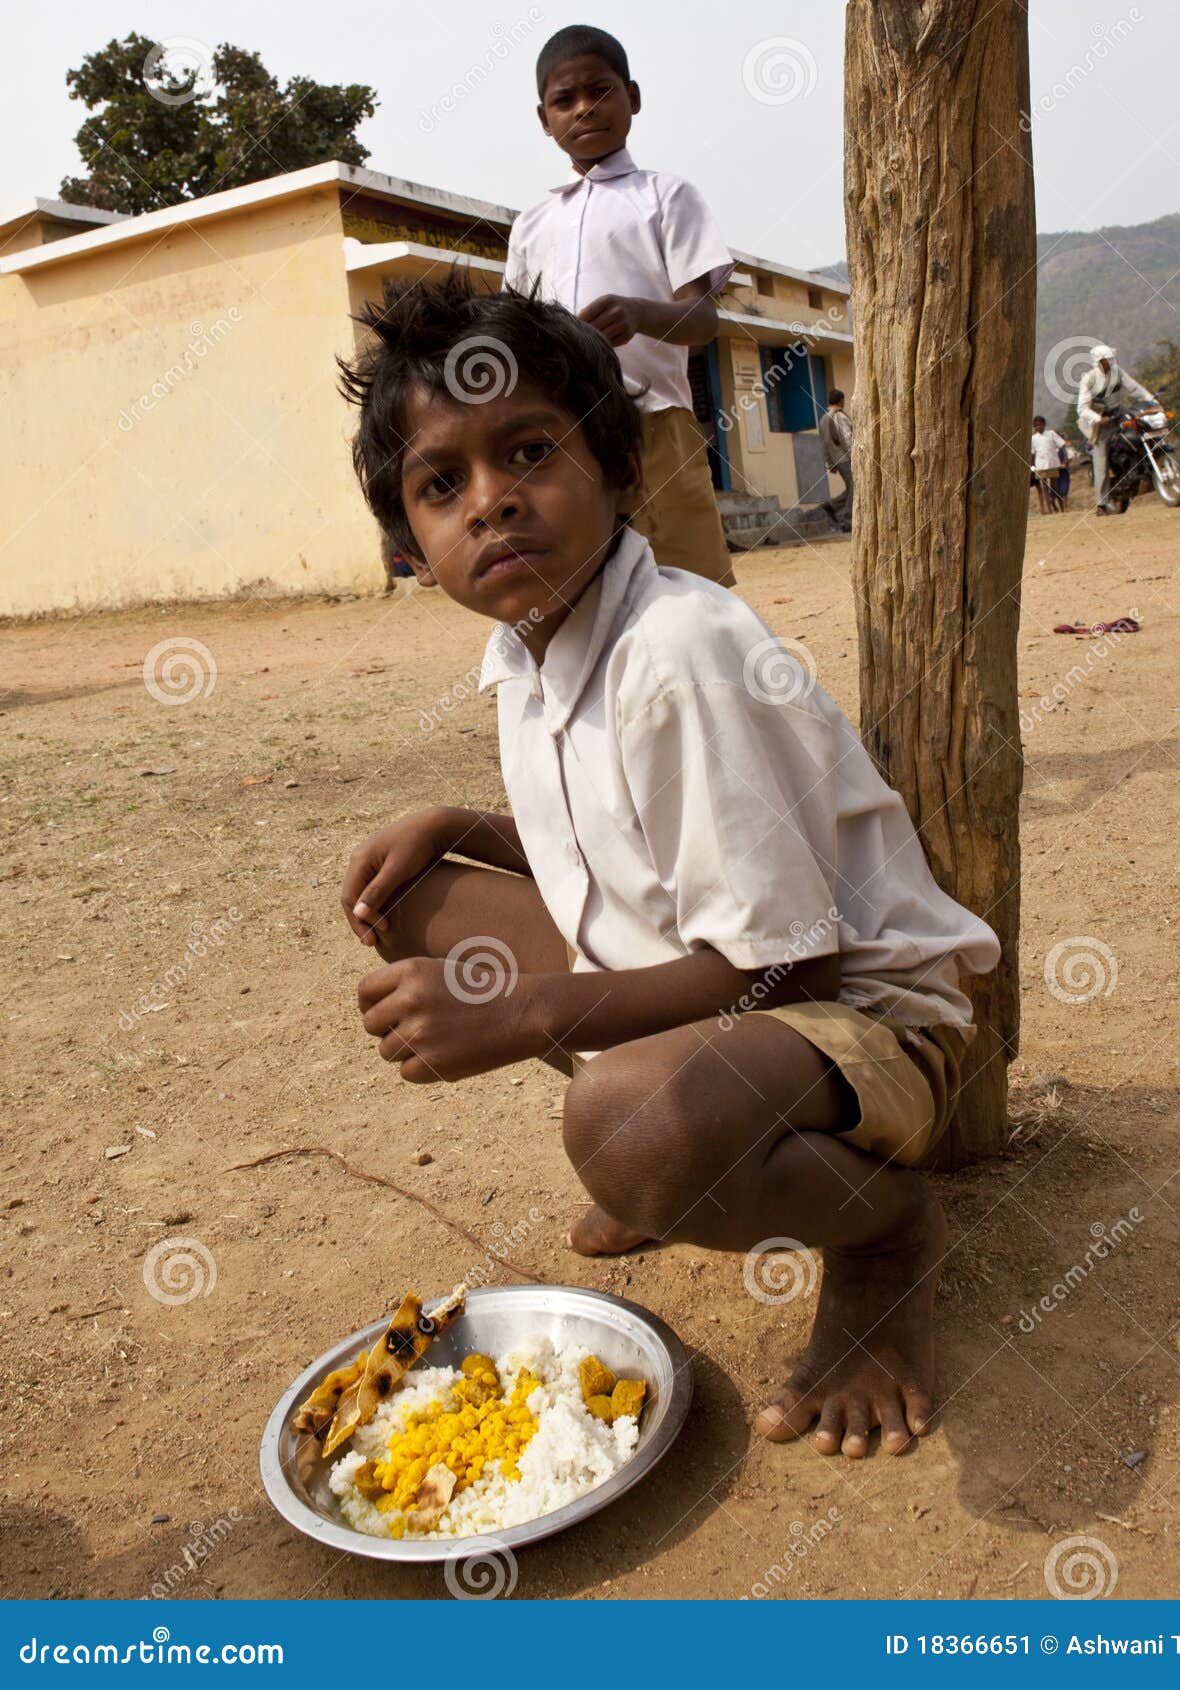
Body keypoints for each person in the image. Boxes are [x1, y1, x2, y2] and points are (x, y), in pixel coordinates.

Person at [336, 275, 1001, 1459]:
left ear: (623, 473)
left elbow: (787, 971)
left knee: (628, 1128)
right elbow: (606, 849)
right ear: (408, 543)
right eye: (443, 485)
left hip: (868, 1015)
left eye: (529, 452)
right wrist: (457, 823)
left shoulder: (681, 651)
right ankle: (687, 1137)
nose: (492, 503)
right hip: (735, 989)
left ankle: (878, 1239)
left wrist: (531, 1007)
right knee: (418, 900)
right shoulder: (524, 652)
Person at [503, 24, 735, 586]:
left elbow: (703, 319)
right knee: (584, 589)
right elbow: (517, 336)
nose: (584, 109)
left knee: (693, 586)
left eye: (599, 91)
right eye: (565, 100)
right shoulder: (533, 225)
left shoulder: (666, 197)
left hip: (656, 425)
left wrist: (639, 314)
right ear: (545, 119)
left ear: (631, 96)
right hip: (567, 433)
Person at [1077, 344, 1156, 515]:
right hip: (1099, 421)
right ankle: (1101, 504)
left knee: (1142, 429)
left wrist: (1151, 401)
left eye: (1110, 360)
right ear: (1098, 362)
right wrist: (1099, 419)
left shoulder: (1117, 372)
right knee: (1101, 460)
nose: (1109, 363)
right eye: (1105, 361)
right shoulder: (1089, 379)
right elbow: (1082, 409)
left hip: (1118, 412)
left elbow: (1134, 389)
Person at [818, 389, 853, 533]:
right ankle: (848, 520)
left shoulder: (823, 418)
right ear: (841, 401)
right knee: (856, 488)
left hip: (836, 459)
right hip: (845, 457)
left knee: (852, 487)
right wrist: (854, 456)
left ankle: (831, 506)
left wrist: (830, 463)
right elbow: (846, 438)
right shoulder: (839, 416)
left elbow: (824, 444)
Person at [1030, 415, 1066, 515]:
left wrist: (1065, 460)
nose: (1038, 427)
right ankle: (1049, 509)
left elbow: (1062, 445)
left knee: (1055, 487)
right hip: (1040, 466)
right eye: (1036, 425)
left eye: (1040, 425)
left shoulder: (1051, 434)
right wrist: (1032, 467)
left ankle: (1060, 507)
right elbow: (1032, 453)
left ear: (1044, 424)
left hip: (1052, 463)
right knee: (1044, 487)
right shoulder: (1033, 438)